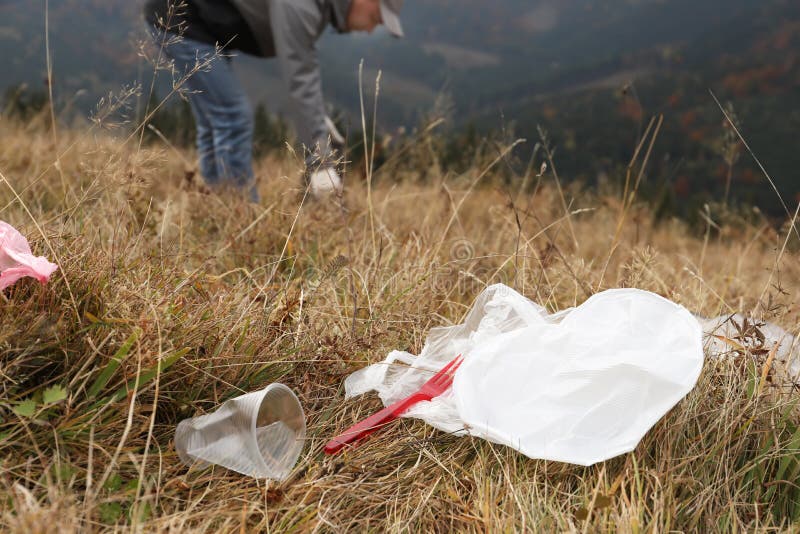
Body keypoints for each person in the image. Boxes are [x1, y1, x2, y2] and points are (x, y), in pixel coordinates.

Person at [144, 0, 404, 201]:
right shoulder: (302, 6)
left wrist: (318, 120)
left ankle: (214, 207)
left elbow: (302, 73)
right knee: (232, 117)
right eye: (375, 17)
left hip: (196, 24)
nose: (371, 29)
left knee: (217, 120)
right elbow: (300, 77)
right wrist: (321, 162)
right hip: (180, 17)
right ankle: (238, 215)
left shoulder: (316, 7)